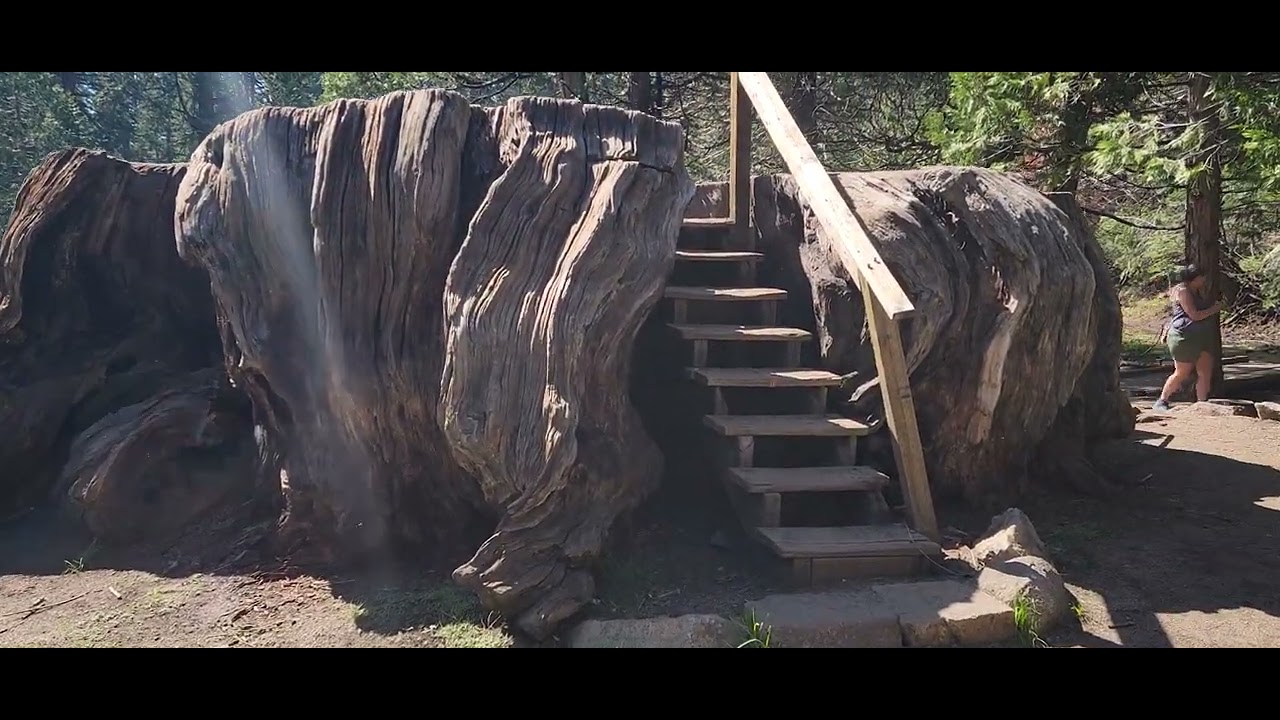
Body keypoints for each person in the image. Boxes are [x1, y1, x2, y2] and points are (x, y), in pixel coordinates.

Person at [1152, 264, 1221, 412]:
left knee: (1205, 371)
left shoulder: (1198, 291)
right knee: (1182, 372)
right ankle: (1162, 400)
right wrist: (1214, 309)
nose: (1204, 280)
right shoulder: (1183, 291)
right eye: (1201, 277)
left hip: (1202, 337)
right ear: (1193, 279)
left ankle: (1202, 404)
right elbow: (1194, 315)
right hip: (1184, 337)